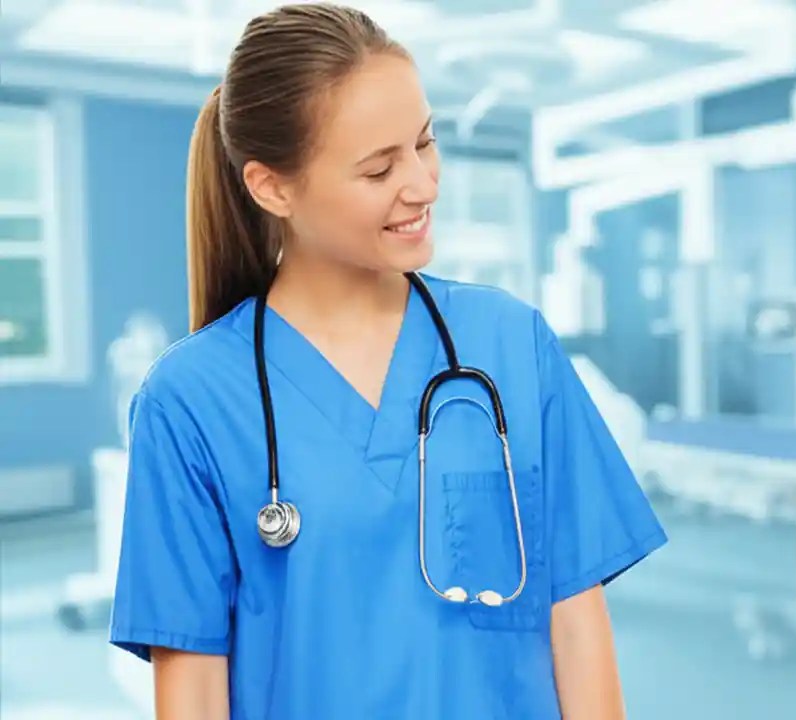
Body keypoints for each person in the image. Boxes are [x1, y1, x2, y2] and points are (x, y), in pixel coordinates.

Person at [107, 4, 667, 719]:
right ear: (272, 187)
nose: (423, 185)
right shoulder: (189, 400)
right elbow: (192, 684)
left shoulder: (511, 343)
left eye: (425, 143)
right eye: (379, 169)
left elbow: (577, 621)